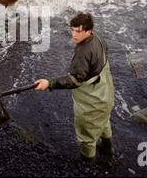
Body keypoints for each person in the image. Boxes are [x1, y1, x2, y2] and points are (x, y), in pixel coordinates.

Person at [35, 13, 115, 163]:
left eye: (78, 31)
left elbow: (74, 80)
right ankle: (109, 149)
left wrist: (49, 83)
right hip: (106, 94)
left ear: (88, 31)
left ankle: (88, 165)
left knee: (87, 137)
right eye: (72, 30)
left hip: (93, 103)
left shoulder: (84, 53)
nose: (74, 35)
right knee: (104, 121)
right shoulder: (99, 39)